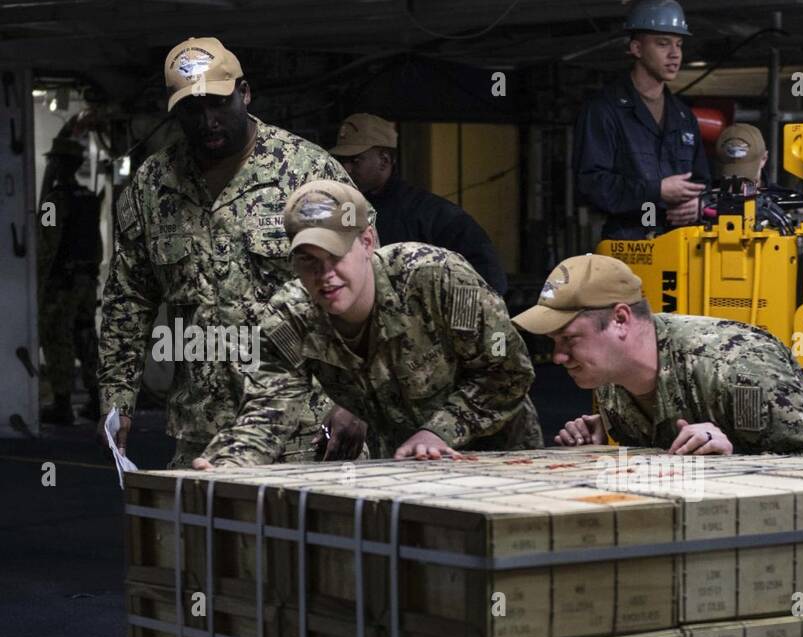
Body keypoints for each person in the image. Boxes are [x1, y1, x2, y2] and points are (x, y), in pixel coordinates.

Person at [97, 37, 365, 469]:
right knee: (204, 538)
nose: (208, 121)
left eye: (219, 104)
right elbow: (129, 298)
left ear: (244, 93)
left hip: (306, 427)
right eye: (191, 109)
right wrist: (118, 399)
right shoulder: (152, 185)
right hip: (203, 430)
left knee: (308, 538)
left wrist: (357, 398)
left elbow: (364, 286)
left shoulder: (306, 171)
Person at [197, 181, 541, 466]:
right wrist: (226, 466)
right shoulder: (291, 318)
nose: (325, 275)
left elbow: (509, 372)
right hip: (404, 464)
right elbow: (268, 411)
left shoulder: (437, 279)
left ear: (367, 242)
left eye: (336, 256)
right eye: (309, 262)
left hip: (499, 457)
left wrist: (440, 430)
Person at [513, 253, 803, 460]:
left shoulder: (737, 366)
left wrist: (731, 458)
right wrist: (606, 444)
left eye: (570, 340)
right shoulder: (613, 381)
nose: (558, 357)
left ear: (620, 320)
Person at [573, 0, 711, 240]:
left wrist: (700, 204)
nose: (674, 54)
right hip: (627, 244)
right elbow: (591, 185)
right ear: (636, 48)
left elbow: (703, 182)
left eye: (678, 44)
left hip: (679, 244)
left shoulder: (683, 116)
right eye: (662, 43)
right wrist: (656, 191)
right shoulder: (605, 109)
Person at [329, 112, 508, 296]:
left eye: (355, 160)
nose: (346, 169)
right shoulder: (342, 213)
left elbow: (490, 279)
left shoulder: (432, 215)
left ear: (384, 160)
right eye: (342, 161)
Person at [37, 136, 102, 425]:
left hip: (63, 281)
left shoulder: (55, 201)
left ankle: (62, 402)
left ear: (60, 164)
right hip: (88, 278)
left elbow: (46, 243)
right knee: (85, 334)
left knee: (55, 335)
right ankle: (97, 399)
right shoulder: (88, 198)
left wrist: (40, 283)